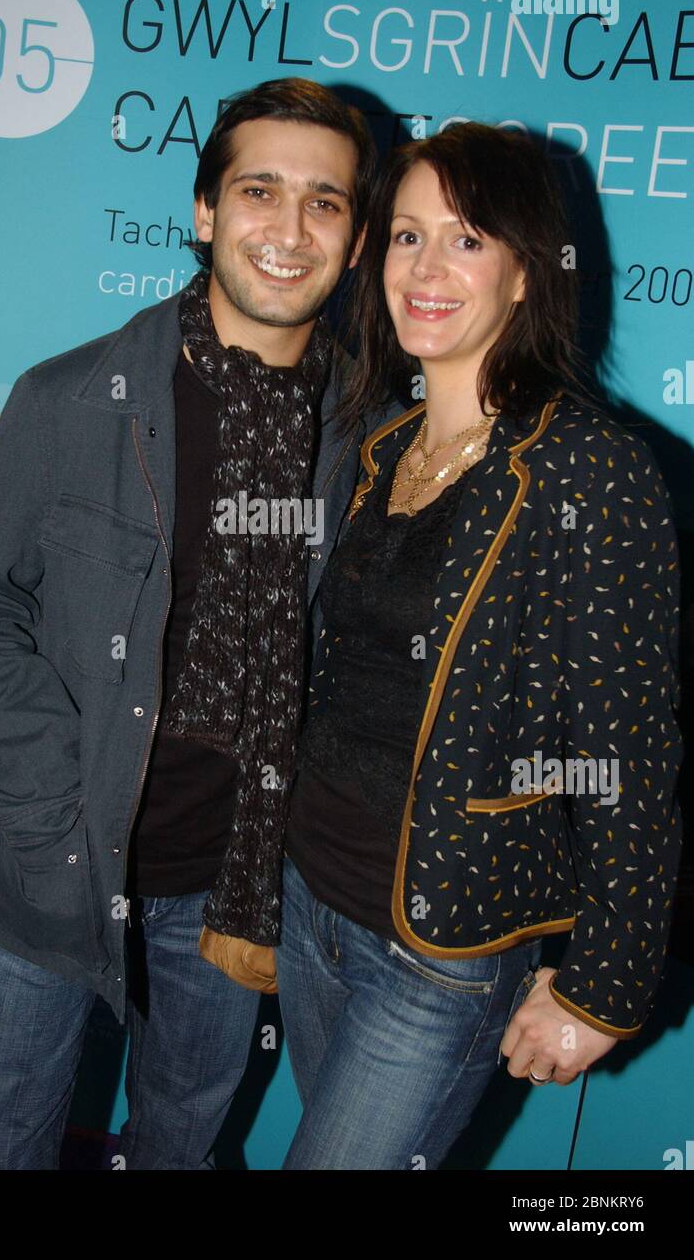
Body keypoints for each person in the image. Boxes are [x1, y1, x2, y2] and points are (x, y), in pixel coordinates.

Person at [0, 77, 397, 1169]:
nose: (286, 230)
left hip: (235, 894)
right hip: (54, 865)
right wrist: (48, 801)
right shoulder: (68, 395)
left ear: (357, 237)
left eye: (323, 203)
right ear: (202, 211)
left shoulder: (371, 443)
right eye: (258, 191)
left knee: (179, 1149)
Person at [274, 122, 684, 1170]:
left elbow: (627, 757)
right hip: (312, 900)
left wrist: (602, 984)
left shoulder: (590, 472)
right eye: (406, 237)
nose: (424, 268)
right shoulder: (376, 442)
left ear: (523, 273)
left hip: (443, 943)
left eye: (464, 240)